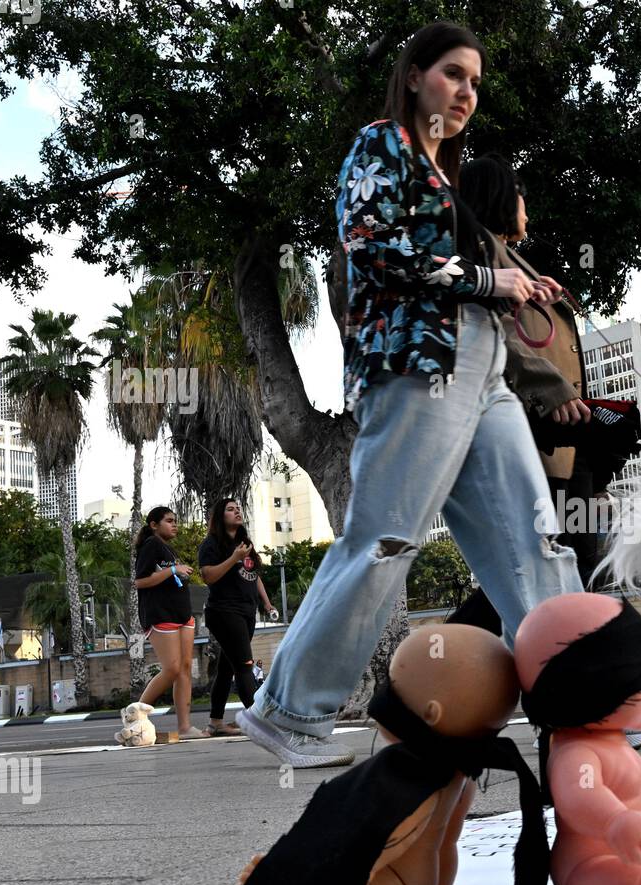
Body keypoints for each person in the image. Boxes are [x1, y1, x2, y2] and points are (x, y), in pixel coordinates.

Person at [238, 20, 582, 770]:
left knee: (535, 539)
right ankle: (288, 712)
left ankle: (583, 702)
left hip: (482, 366)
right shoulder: (380, 145)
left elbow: (451, 263)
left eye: (476, 83)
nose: (466, 92)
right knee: (387, 537)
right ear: (416, 74)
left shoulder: (444, 175)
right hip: (415, 366)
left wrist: (514, 280)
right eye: (454, 74)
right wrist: (492, 282)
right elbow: (374, 247)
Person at [444, 154, 602, 636]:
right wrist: (549, 386)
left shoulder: (512, 259)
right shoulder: (476, 255)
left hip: (569, 440)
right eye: (519, 193)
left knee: (569, 556)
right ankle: (445, 653)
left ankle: (553, 675)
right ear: (498, 197)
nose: (525, 205)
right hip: (536, 435)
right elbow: (494, 335)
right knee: (539, 562)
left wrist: (539, 293)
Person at [198, 498, 277, 737]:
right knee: (245, 665)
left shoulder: (245, 543)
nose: (237, 512)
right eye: (230, 509)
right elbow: (208, 576)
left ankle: (215, 723)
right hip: (224, 612)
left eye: (238, 509)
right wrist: (233, 558)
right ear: (221, 516)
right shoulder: (211, 544)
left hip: (246, 611)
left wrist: (266, 602)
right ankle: (259, 721)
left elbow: (254, 575)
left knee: (226, 669)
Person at [132, 506, 197, 739]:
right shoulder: (151, 545)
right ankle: (135, 716)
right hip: (161, 615)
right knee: (172, 669)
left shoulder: (166, 548)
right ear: (153, 525)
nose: (174, 525)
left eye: (175, 521)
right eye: (169, 521)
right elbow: (140, 581)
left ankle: (185, 727)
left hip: (182, 614)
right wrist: (173, 570)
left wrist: (175, 570)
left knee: (185, 670)